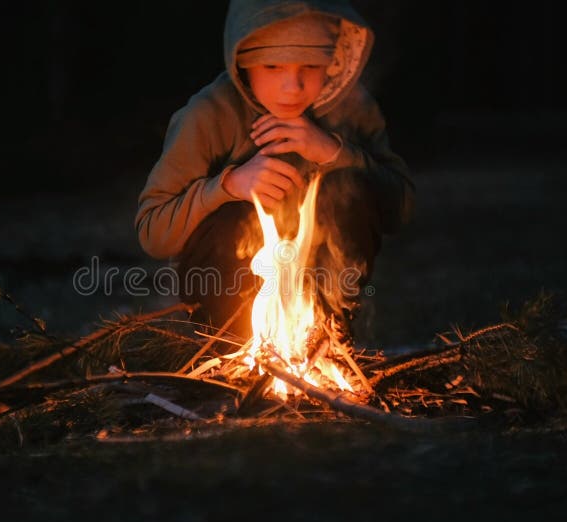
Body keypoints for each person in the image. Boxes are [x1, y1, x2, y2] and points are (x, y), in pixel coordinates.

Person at [135, 0, 415, 341]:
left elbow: (398, 210)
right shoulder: (208, 115)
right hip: (227, 312)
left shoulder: (352, 110)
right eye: (272, 66)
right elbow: (154, 233)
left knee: (348, 189)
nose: (292, 86)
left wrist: (333, 151)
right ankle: (234, 351)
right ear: (242, 61)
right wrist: (227, 186)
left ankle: (327, 340)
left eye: (310, 66)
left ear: (333, 60)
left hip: (323, 309)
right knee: (229, 217)